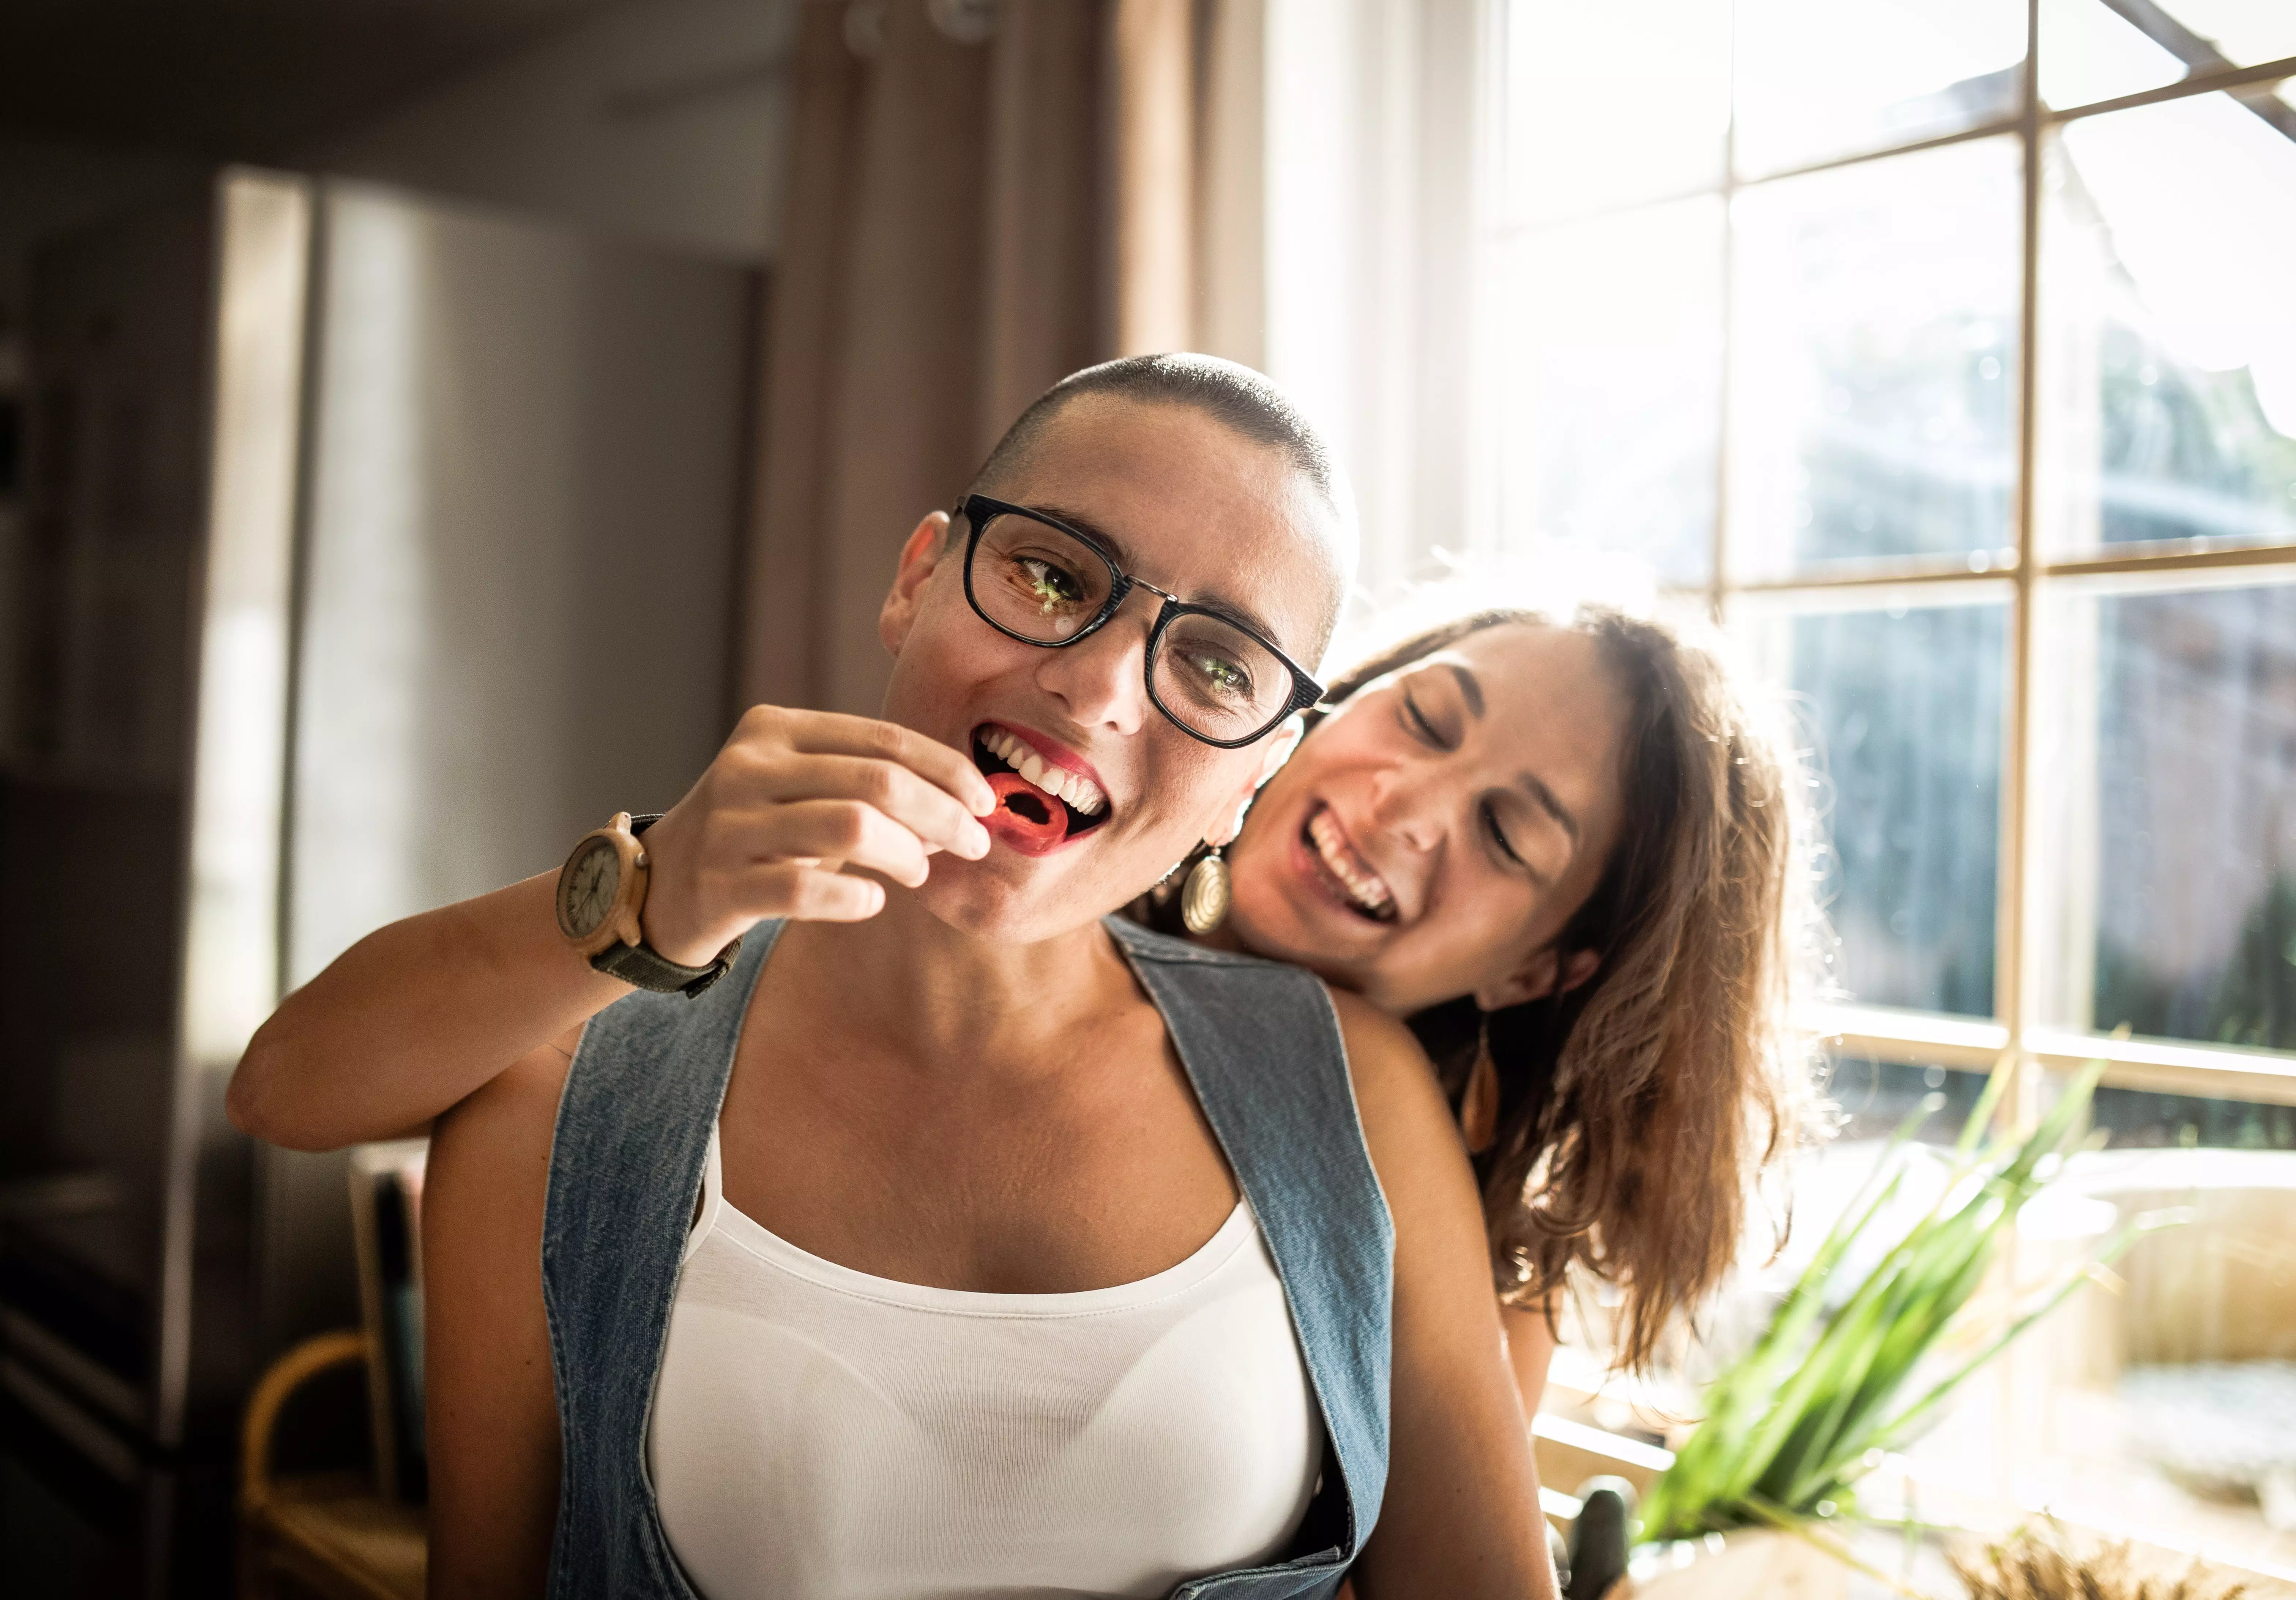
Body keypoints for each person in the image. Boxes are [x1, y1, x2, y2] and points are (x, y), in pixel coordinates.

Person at [231, 355, 1558, 1599]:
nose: (1098, 686)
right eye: (1052, 574)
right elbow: (283, 1087)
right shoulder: (574, 1076)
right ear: (919, 578)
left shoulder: (1349, 1091)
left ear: (1256, 771)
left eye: (1216, 664)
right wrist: (655, 886)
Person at [1133, 600, 1805, 1417]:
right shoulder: (1034, 908)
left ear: (1536, 971)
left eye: (1504, 833)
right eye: (1423, 717)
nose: (1402, 808)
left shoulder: (1481, 1282)